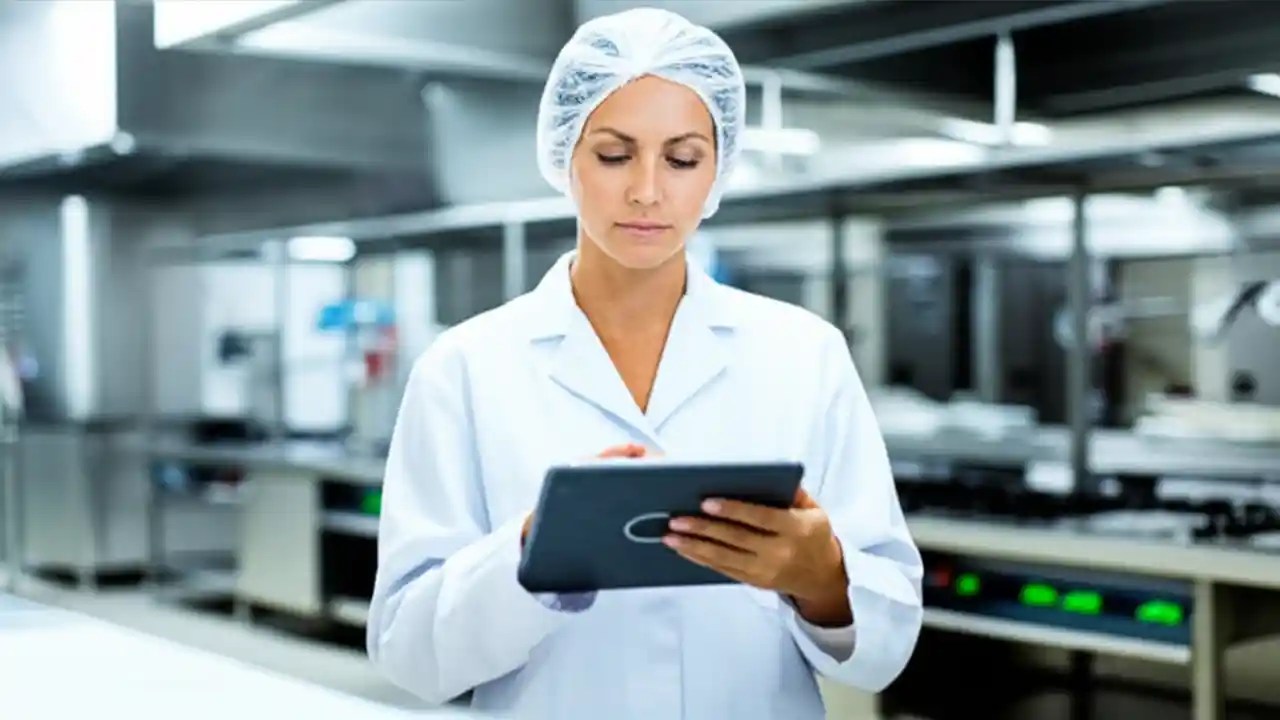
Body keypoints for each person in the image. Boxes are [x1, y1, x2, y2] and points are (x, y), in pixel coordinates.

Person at [367, 8, 923, 719]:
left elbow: (889, 641)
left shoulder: (804, 354)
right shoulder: (465, 368)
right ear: (564, 153)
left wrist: (824, 580)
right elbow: (408, 649)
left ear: (717, 168)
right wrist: (533, 555)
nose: (648, 191)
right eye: (614, 153)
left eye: (683, 158)